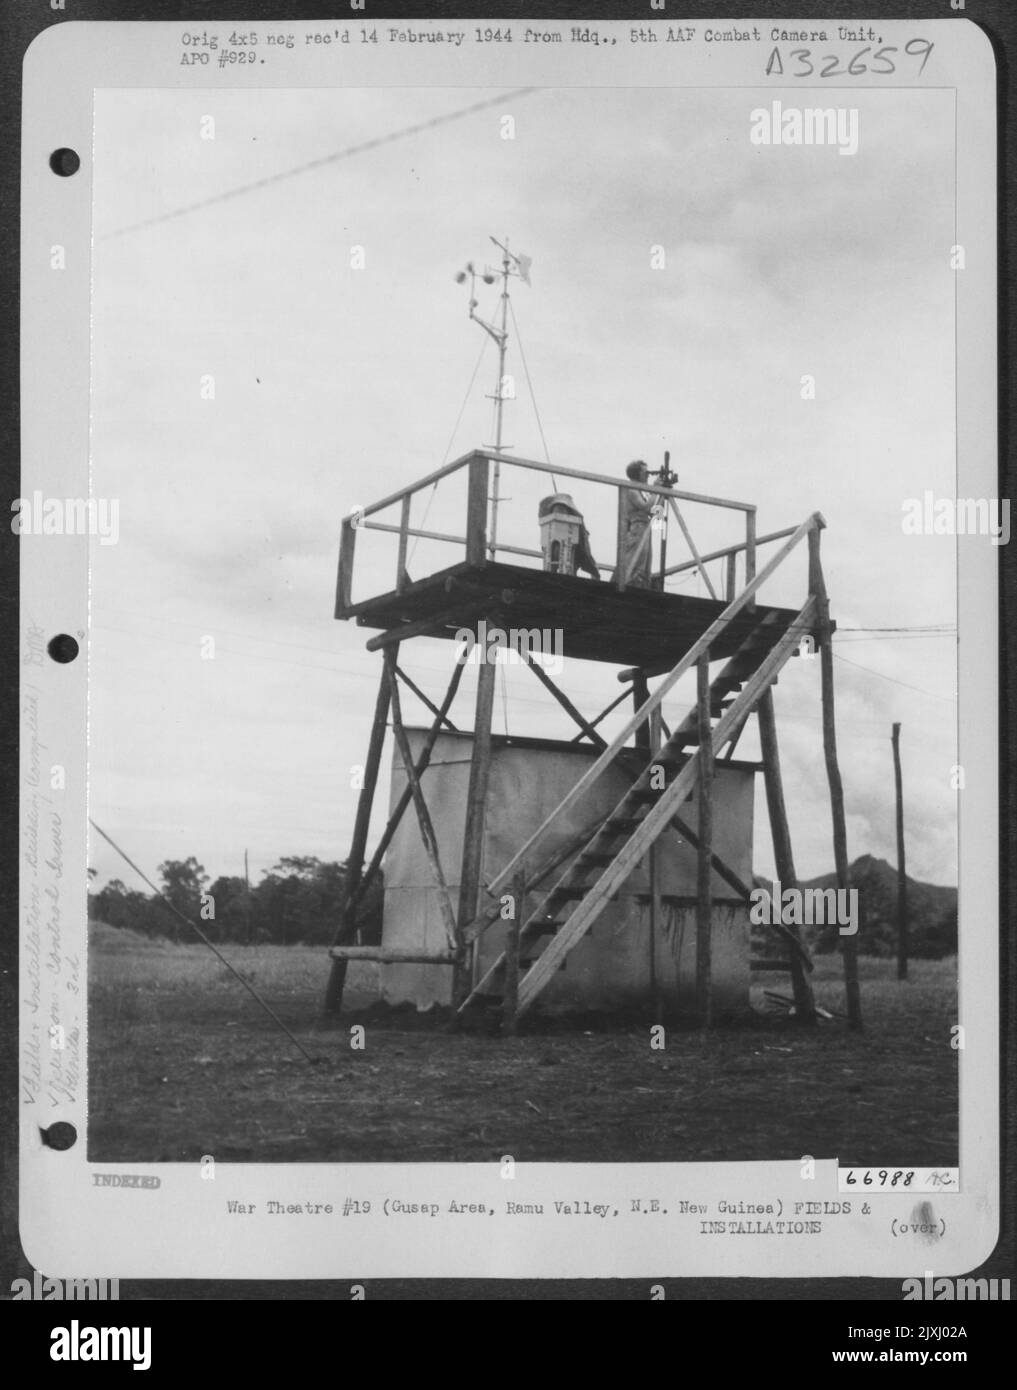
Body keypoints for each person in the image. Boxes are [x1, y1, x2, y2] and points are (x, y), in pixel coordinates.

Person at [617, 460, 658, 588]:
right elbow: (645, 507)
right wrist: (656, 490)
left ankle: (641, 584)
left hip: (644, 527)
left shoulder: (638, 490)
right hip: (638, 528)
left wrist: (659, 494)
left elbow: (653, 511)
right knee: (637, 560)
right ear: (637, 474)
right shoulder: (632, 489)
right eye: (645, 472)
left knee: (644, 562)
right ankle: (632, 584)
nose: (647, 476)